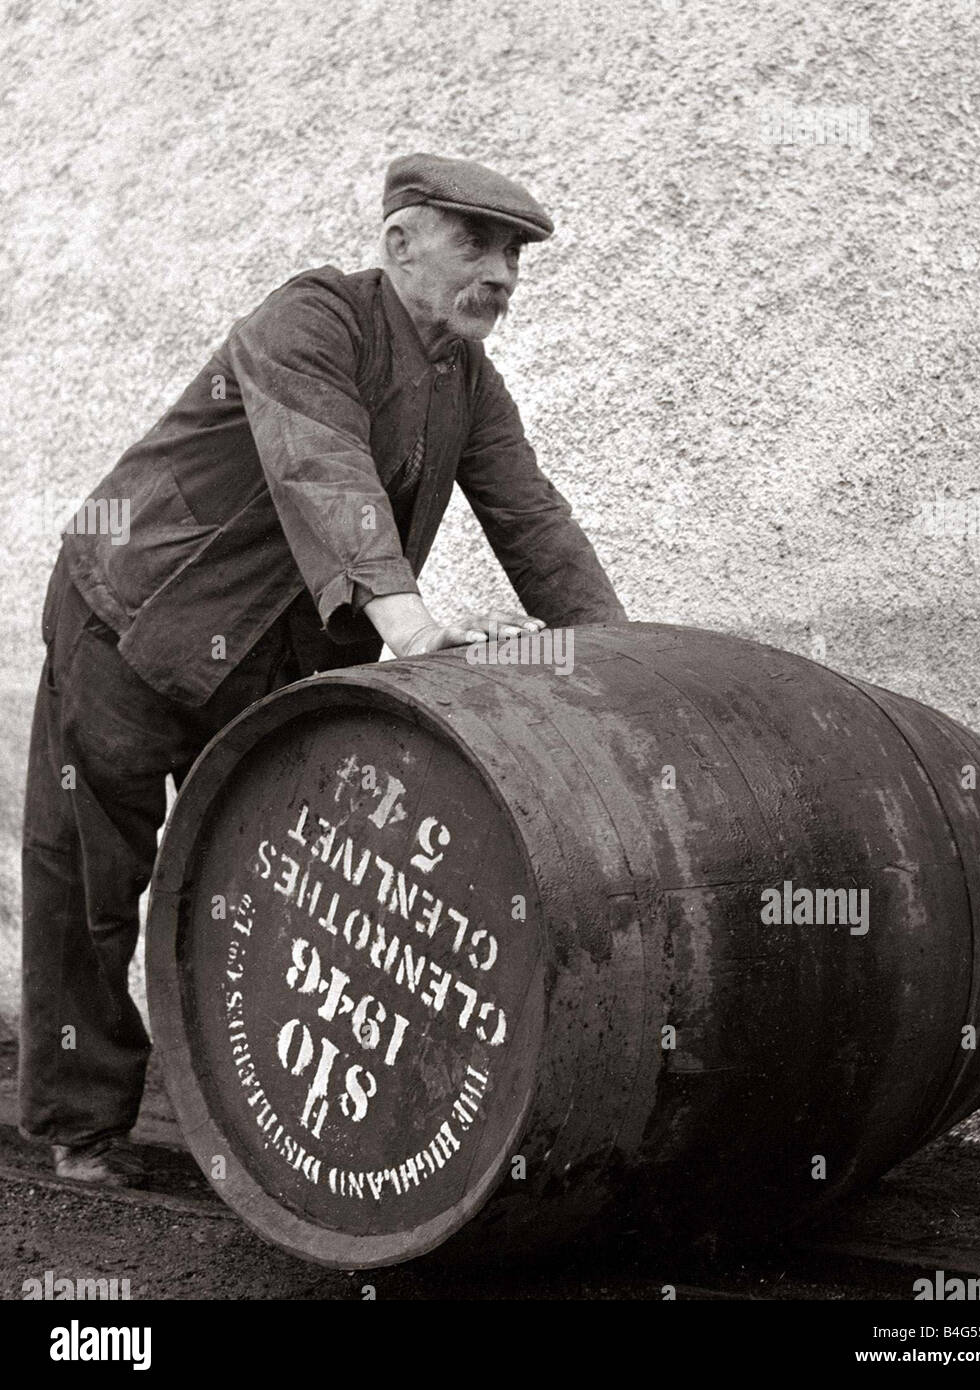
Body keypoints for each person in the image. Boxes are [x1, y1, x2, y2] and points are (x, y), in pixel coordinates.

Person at [19, 152, 628, 1186]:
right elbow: (321, 464)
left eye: (516, 255)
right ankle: (80, 1126)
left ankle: (253, 1119)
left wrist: (625, 655)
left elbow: (533, 520)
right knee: (90, 879)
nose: (504, 275)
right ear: (399, 244)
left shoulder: (468, 386)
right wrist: (405, 618)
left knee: (273, 885)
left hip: (274, 670)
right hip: (132, 626)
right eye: (477, 244)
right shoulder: (311, 320)